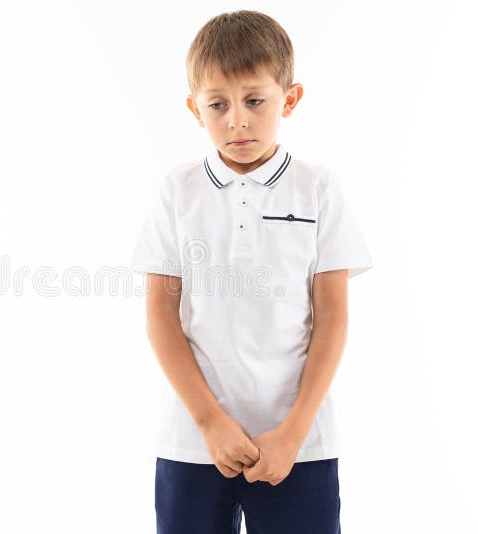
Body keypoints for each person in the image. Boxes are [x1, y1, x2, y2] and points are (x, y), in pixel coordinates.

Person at [129, 10, 374, 534]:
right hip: (194, 444)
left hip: (296, 446)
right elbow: (160, 314)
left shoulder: (318, 189)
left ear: (289, 99)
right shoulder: (178, 191)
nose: (237, 119)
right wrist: (211, 424)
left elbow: (332, 316)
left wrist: (294, 432)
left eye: (254, 100)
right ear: (196, 109)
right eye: (218, 104)